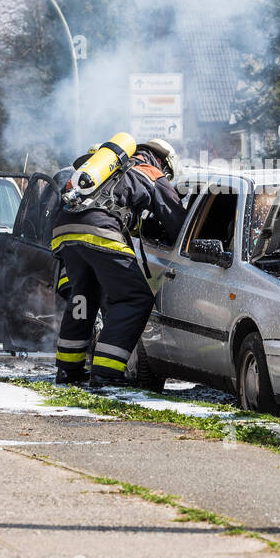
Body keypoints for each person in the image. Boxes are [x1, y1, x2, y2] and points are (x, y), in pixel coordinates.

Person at [51, 138, 185, 386]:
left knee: (83, 297)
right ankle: (105, 372)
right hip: (100, 233)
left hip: (64, 233)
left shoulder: (95, 171)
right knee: (135, 298)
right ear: (165, 163)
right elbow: (175, 218)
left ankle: (68, 369)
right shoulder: (150, 172)